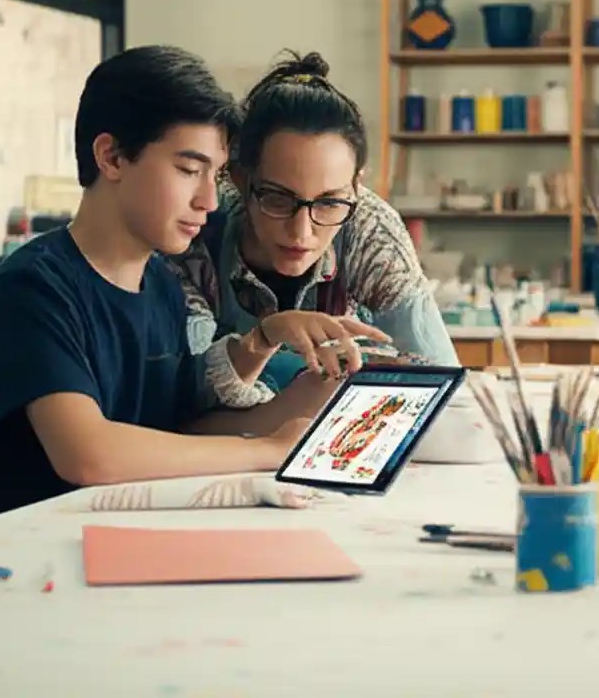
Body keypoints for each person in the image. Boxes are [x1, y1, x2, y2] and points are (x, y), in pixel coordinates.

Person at [0, 46, 381, 526]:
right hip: (18, 563)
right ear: (111, 156)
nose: (211, 201)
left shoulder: (160, 285)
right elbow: (90, 455)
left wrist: (314, 395)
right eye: (189, 170)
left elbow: (183, 433)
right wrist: (268, 449)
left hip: (116, 545)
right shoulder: (35, 287)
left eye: (215, 176)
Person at [165, 51, 497, 464]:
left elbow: (440, 394)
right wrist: (287, 383)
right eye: (277, 198)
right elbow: (175, 408)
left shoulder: (370, 228)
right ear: (239, 178)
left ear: (356, 187)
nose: (302, 232)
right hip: (207, 470)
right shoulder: (197, 230)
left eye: (329, 203)